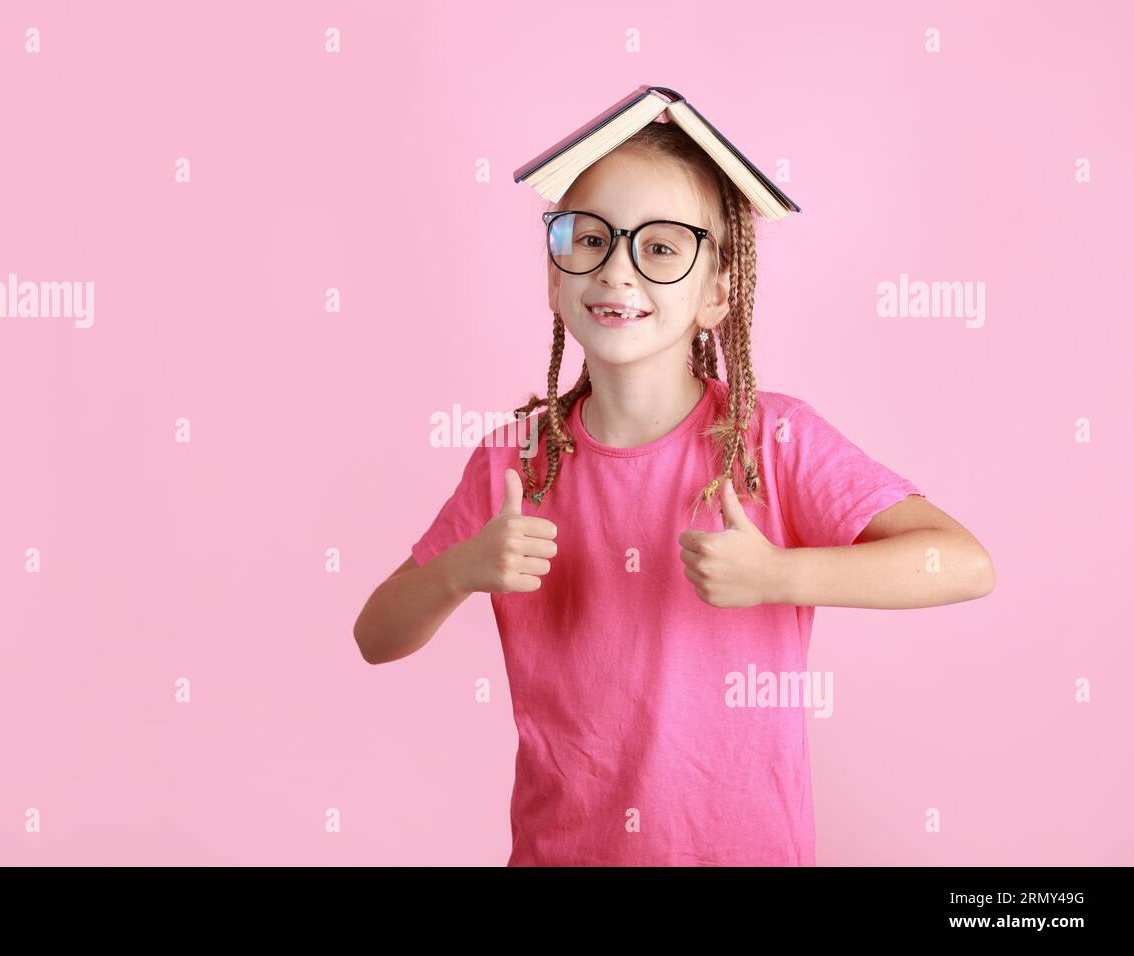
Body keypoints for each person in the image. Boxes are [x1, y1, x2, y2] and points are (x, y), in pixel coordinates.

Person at [352, 118, 995, 866]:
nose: (617, 271)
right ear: (555, 270)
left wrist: (778, 575)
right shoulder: (518, 460)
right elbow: (375, 637)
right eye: (589, 238)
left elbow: (961, 562)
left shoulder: (771, 440)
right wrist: (458, 570)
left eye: (659, 247)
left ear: (717, 293)